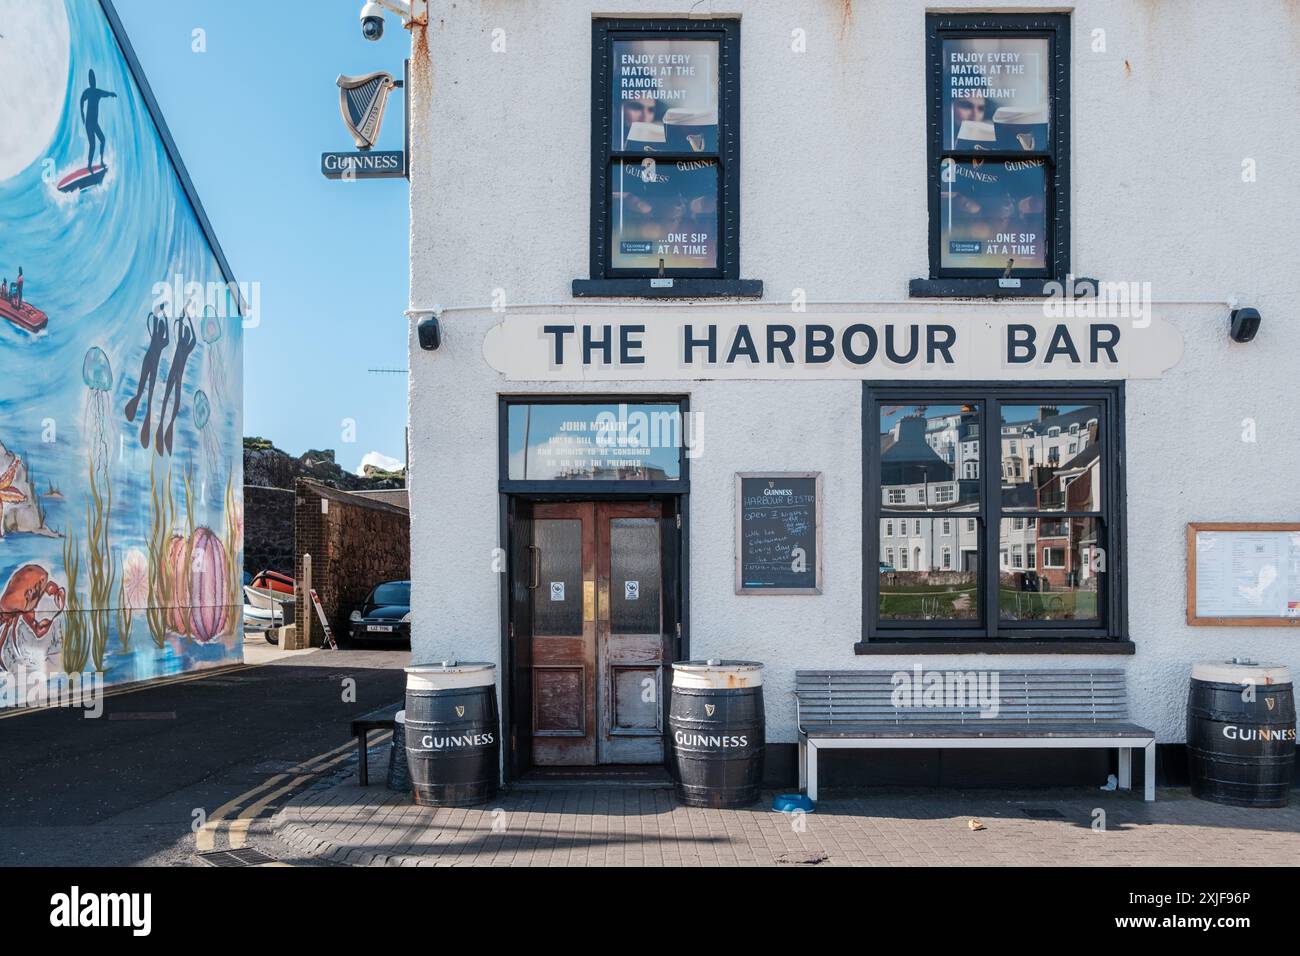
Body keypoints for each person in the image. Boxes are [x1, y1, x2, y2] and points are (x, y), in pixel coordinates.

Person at [125, 307, 170, 448]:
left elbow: (156, 317)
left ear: (159, 330)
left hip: (148, 361)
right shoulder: (160, 339)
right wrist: (166, 319)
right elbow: (166, 335)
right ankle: (140, 406)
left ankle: (139, 405)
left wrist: (164, 317)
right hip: (152, 363)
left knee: (142, 387)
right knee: (144, 389)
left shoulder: (157, 337)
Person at [79, 69, 117, 171]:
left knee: (103, 140)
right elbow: (81, 101)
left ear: (95, 80)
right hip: (89, 124)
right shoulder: (88, 92)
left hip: (94, 123)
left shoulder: (97, 92)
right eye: (91, 79)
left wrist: (112, 94)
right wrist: (82, 113)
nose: (93, 81)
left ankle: (101, 161)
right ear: (90, 81)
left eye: (94, 79)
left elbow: (106, 93)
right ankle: (89, 166)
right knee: (93, 145)